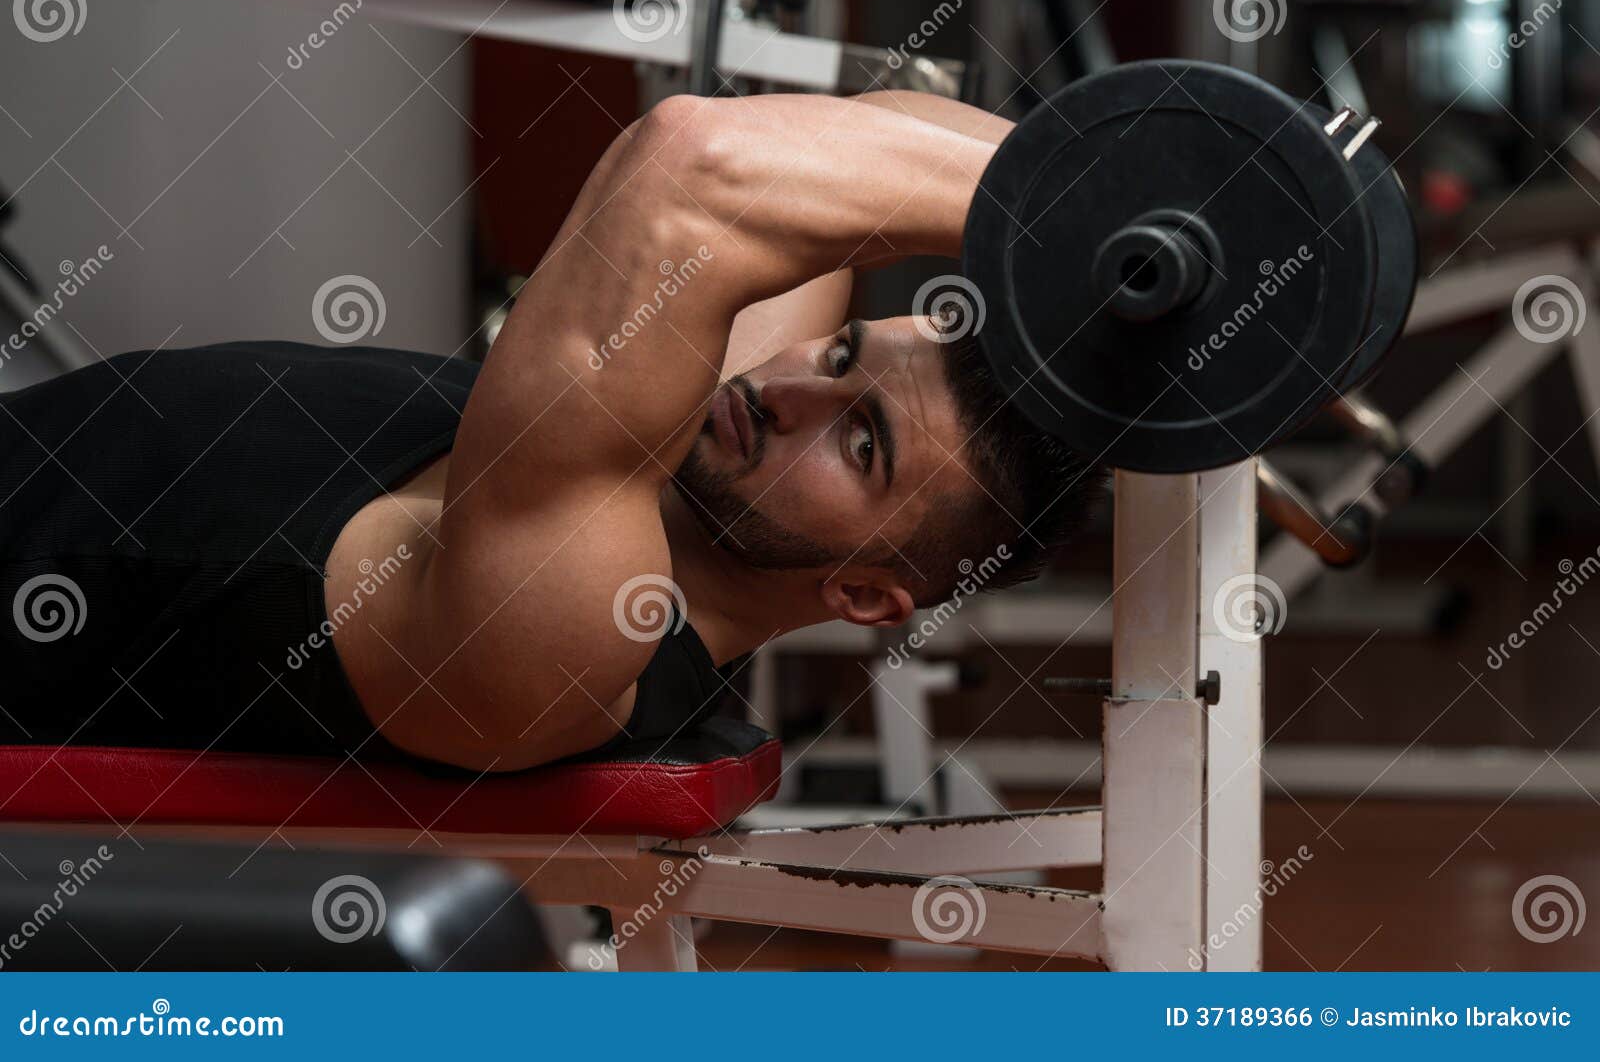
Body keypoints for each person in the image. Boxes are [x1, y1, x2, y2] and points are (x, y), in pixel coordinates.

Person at [0, 90, 1105, 773]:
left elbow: (695, 168)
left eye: (861, 445)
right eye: (839, 353)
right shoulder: (694, 446)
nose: (791, 389)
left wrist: (1113, 224)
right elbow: (884, 120)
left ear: (867, 598)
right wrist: (1148, 238)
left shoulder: (571, 636)